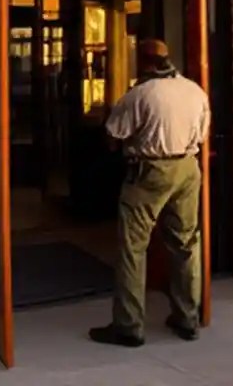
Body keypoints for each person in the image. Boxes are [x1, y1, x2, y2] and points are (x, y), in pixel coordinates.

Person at [89, 38, 209, 347]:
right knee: (185, 244)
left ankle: (129, 326)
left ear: (143, 61)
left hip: (149, 172)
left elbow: (113, 135)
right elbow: (202, 133)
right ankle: (187, 318)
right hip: (187, 168)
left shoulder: (140, 95)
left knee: (133, 247)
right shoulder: (194, 91)